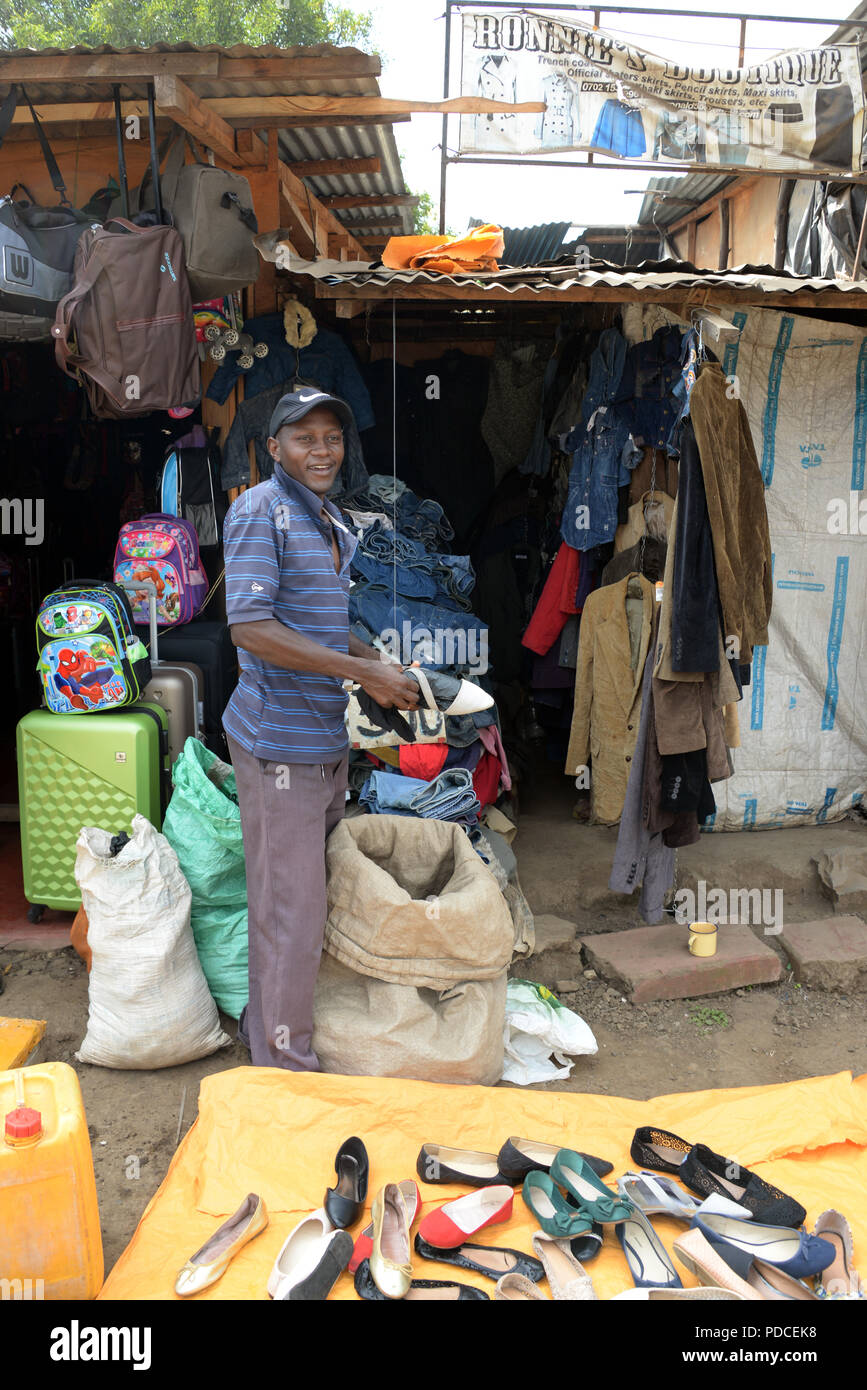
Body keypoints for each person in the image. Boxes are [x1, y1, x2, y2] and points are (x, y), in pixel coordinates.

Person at [222, 388, 419, 1071]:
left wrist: (376, 661)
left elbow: (319, 627)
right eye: (303, 438)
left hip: (319, 740)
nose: (322, 450)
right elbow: (249, 628)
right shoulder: (259, 512)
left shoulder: (324, 518)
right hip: (278, 744)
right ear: (273, 448)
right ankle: (284, 1070)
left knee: (300, 905)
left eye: (332, 436)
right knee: (290, 919)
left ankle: (269, 1025)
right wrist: (360, 675)